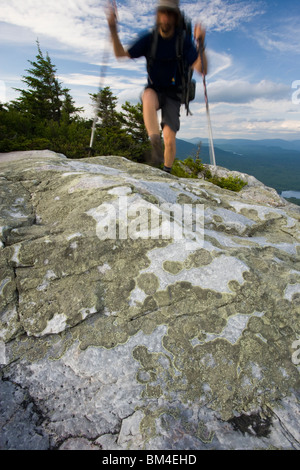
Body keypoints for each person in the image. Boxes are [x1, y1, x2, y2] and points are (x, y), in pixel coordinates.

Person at [106, 0, 208, 173]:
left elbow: (202, 69)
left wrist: (201, 44)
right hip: (154, 89)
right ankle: (155, 144)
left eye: (170, 14)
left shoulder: (182, 41)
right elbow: (120, 54)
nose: (166, 18)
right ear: (158, 15)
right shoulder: (150, 39)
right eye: (163, 13)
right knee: (147, 96)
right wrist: (113, 30)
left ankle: (166, 171)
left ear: (176, 18)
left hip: (174, 94)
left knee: (170, 140)